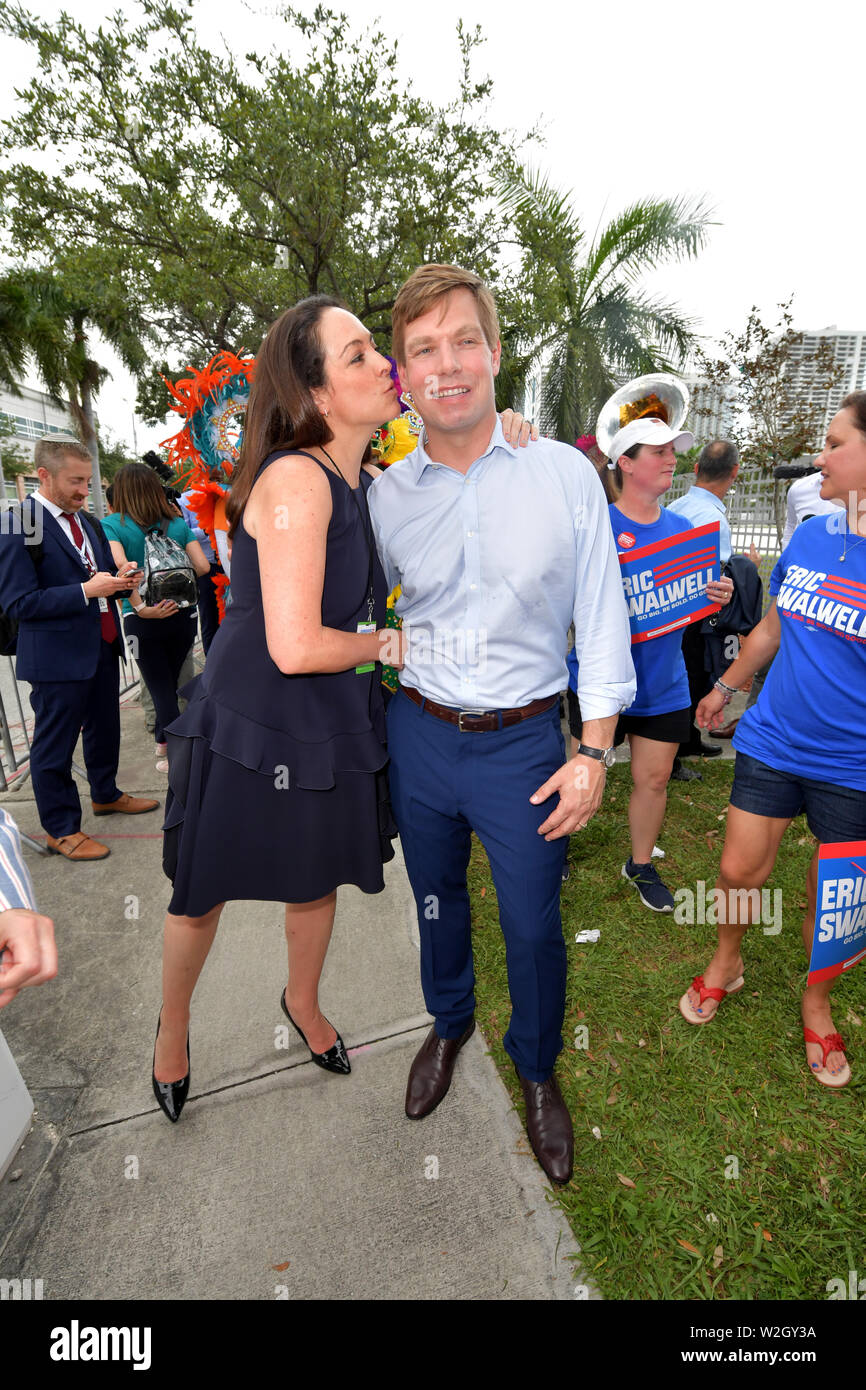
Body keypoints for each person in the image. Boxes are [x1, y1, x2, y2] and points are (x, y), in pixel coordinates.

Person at [150, 291, 532, 1124]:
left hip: (325, 719)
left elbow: (456, 484)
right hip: (256, 720)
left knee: (312, 882)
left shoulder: (354, 477)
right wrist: (393, 647)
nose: (386, 365)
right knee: (200, 895)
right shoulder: (297, 477)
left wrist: (512, 438)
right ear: (317, 392)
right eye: (359, 354)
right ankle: (172, 1034)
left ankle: (305, 1005)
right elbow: (293, 645)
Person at [368, 264, 637, 1186]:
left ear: (494, 352)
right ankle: (448, 1026)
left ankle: (535, 1067)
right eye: (422, 350)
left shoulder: (564, 475)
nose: (447, 365)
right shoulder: (382, 498)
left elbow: (602, 622)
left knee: (531, 925)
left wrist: (594, 752)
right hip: (421, 735)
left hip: (528, 744)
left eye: (463, 342)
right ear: (402, 375)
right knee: (435, 901)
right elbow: (343, 612)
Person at [680, 391, 866, 1088]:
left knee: (838, 896)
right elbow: (772, 628)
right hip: (775, 741)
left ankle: (817, 1001)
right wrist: (726, 688)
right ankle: (728, 959)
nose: (820, 457)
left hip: (853, 763)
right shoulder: (813, 537)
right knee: (737, 873)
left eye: (835, 443)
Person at [567, 415, 734, 913]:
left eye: (672, 451)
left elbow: (692, 601)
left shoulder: (687, 531)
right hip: (598, 682)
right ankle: (556, 851)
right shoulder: (596, 526)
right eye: (658, 452)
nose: (672, 460)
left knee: (654, 780)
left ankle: (640, 864)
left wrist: (716, 594)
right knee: (580, 775)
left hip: (664, 683)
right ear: (626, 463)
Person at [0, 438, 159, 861]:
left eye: (87, 481)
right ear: (45, 475)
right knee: (55, 743)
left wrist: (123, 575)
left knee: (105, 730)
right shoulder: (23, 521)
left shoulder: (86, 520)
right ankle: (61, 828)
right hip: (57, 658)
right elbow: (19, 603)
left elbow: (101, 568)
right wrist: (87, 590)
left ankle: (105, 793)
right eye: (75, 481)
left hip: (102, 646)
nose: (84, 490)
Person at [102, 465, 210, 774]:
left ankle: (177, 752)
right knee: (173, 683)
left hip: (142, 621)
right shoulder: (176, 523)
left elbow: (123, 569)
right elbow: (202, 566)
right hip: (182, 615)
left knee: (160, 687)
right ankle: (166, 744)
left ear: (120, 492)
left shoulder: (112, 524)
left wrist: (139, 607)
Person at [668, 440, 757, 753]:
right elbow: (716, 578)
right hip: (697, 617)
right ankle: (678, 748)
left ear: (696, 469)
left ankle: (687, 740)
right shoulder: (713, 518)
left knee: (682, 677)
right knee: (694, 678)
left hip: (670, 611)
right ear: (734, 472)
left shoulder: (675, 507)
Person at [178, 475, 225, 653]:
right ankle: (212, 664)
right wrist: (206, 529)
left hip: (228, 563)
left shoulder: (226, 494)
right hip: (205, 567)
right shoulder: (185, 499)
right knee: (209, 618)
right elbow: (182, 531)